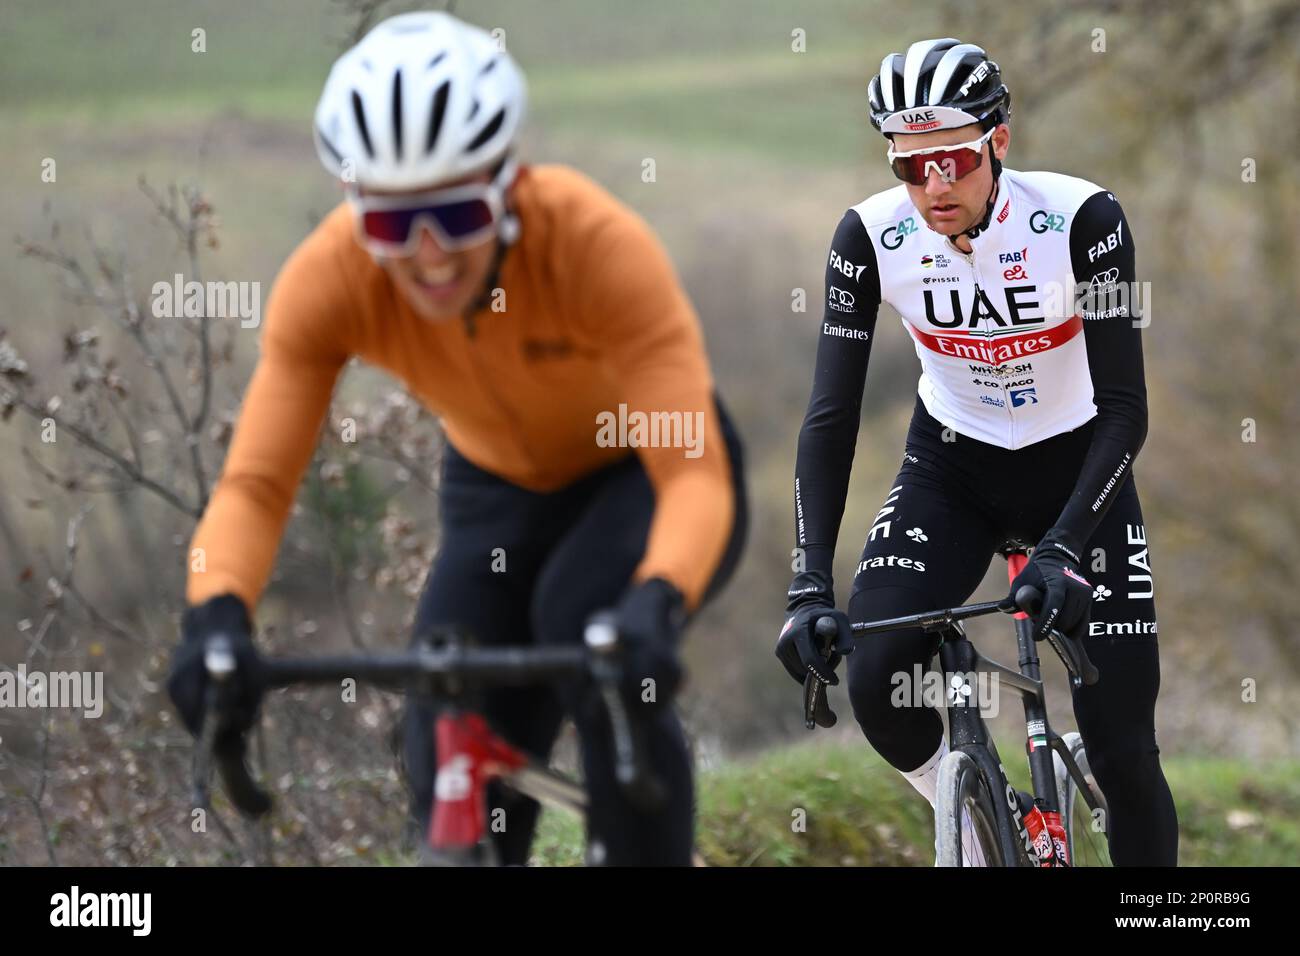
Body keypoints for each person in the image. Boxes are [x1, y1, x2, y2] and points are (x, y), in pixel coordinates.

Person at [166, 11, 747, 866]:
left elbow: (694, 475)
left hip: (643, 473)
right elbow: (255, 486)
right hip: (497, 490)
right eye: (394, 227)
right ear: (355, 213)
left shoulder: (592, 243)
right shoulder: (328, 282)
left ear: (507, 185)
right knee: (443, 725)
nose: (432, 256)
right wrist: (215, 616)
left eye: (458, 214)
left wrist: (656, 600)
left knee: (595, 639)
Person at [775, 38, 1177, 866]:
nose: (933, 186)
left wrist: (1064, 548)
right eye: (909, 166)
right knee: (876, 676)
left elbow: (1126, 411)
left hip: (1079, 472)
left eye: (952, 160)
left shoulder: (1083, 221)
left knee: (1125, 753)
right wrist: (809, 582)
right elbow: (830, 419)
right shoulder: (869, 237)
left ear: (998, 140)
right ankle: (984, 823)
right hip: (952, 468)